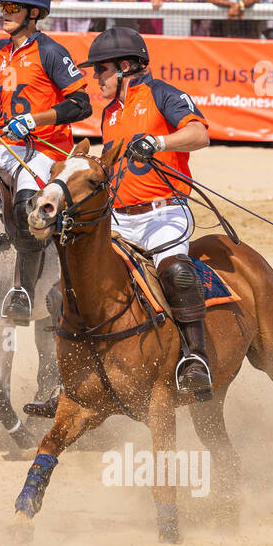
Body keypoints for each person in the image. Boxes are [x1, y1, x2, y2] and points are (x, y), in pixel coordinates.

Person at [80, 27, 212, 396]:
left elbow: (200, 134)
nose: (96, 78)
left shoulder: (162, 94)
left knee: (176, 272)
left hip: (164, 214)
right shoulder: (110, 114)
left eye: (101, 70)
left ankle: (195, 357)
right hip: (120, 219)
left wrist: (160, 141)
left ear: (125, 66)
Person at [0, 0, 92, 325]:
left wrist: (35, 120)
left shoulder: (51, 51)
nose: (3, 13)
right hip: (8, 143)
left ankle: (22, 290)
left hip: (47, 147)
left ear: (33, 13)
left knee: (26, 204)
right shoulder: (2, 54)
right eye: (3, 7)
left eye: (11, 7)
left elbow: (82, 104)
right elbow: (5, 113)